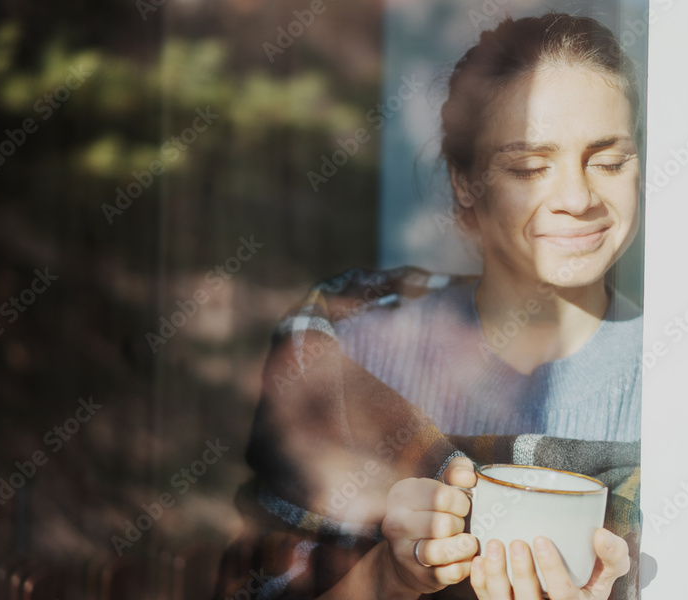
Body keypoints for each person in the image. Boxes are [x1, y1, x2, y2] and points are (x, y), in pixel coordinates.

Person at [217, 12, 644, 600]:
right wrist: (386, 578)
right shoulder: (350, 343)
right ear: (465, 181)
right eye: (528, 167)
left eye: (610, 160)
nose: (577, 198)